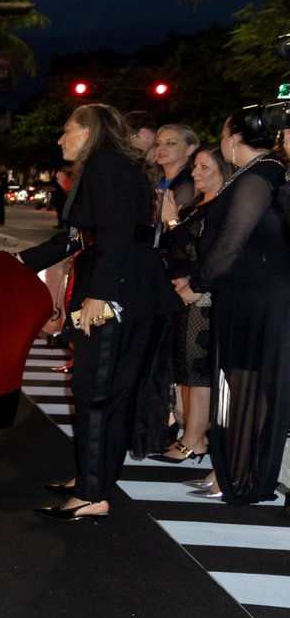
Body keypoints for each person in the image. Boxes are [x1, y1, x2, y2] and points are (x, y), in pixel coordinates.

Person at [19, 104, 181, 521]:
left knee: (96, 394)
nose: (60, 140)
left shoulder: (105, 165)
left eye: (67, 131)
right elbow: (80, 236)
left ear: (90, 132)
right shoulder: (111, 166)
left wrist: (101, 295)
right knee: (104, 395)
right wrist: (19, 262)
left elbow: (116, 235)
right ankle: (92, 479)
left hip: (117, 297)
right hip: (130, 293)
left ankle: (93, 493)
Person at [171, 108, 290, 506]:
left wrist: (198, 284)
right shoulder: (257, 173)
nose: (222, 143)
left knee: (249, 386)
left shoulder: (261, 174)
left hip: (260, 297)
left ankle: (242, 474)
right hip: (247, 293)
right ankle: (233, 468)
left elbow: (232, 241)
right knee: (242, 386)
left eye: (223, 135)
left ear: (235, 139)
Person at [152, 145, 231, 467]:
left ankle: (194, 440)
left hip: (203, 298)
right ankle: (190, 433)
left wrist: (172, 223)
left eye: (204, 168)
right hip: (182, 293)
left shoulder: (223, 207)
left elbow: (204, 256)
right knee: (183, 370)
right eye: (195, 167)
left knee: (197, 374)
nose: (195, 174)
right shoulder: (201, 204)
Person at [152, 123, 199, 215]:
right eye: (157, 144)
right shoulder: (155, 180)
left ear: (190, 149)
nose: (160, 148)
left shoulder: (188, 185)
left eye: (170, 143)